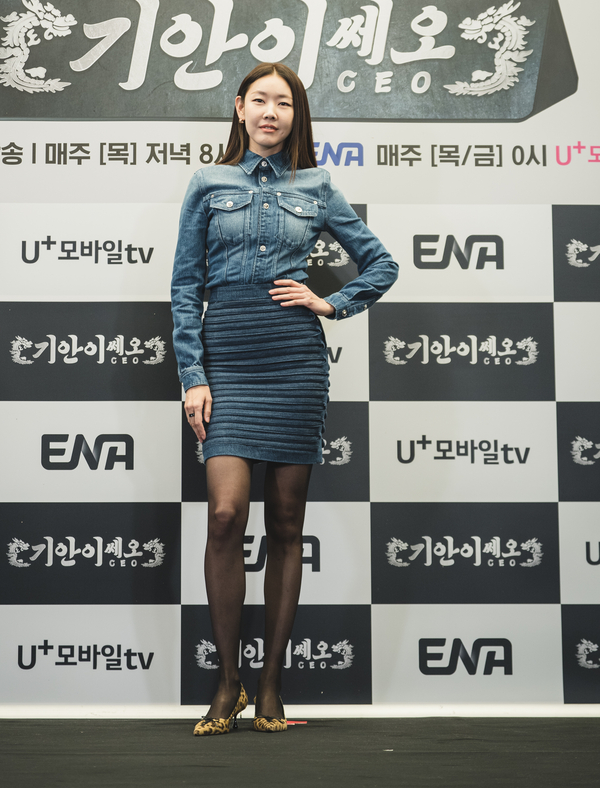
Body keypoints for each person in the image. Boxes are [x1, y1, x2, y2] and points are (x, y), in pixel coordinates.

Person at [171, 62, 398, 735]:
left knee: (288, 524)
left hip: (294, 361)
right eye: (260, 100)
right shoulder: (208, 183)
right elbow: (184, 286)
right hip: (226, 358)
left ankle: (270, 687)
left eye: (285, 103)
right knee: (224, 515)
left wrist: (331, 302)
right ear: (240, 109)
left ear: (297, 116)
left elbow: (382, 264)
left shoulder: (317, 186)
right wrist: (193, 375)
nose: (271, 112)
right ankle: (228, 683)